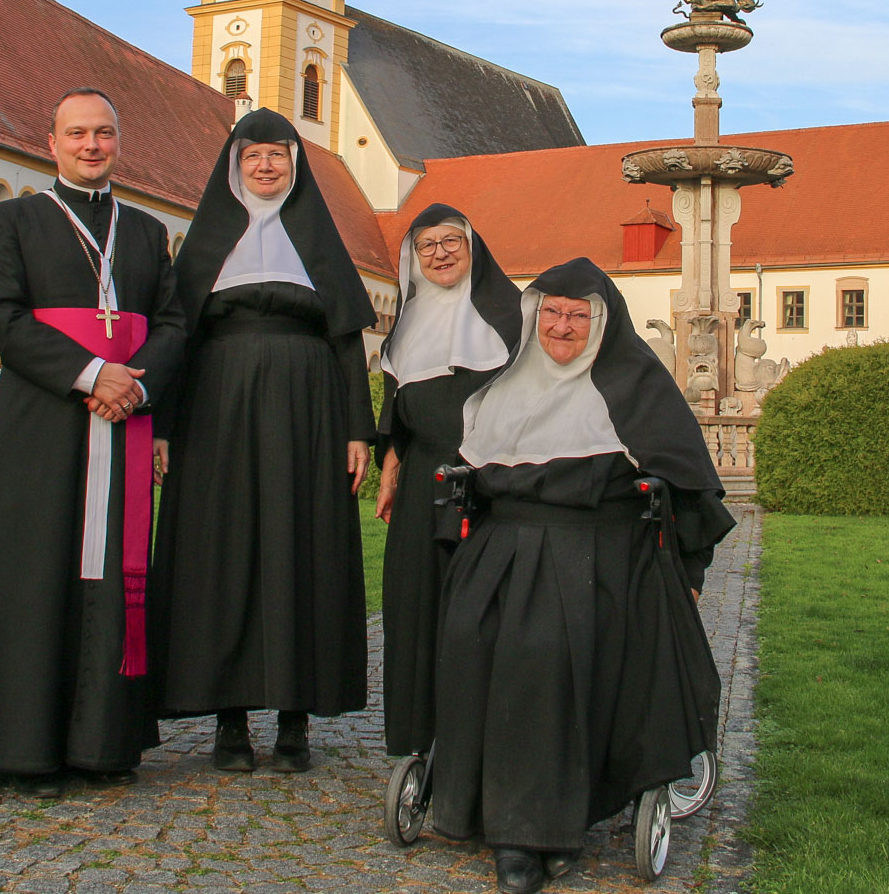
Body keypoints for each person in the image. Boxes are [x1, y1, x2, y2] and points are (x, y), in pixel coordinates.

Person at [426, 257, 735, 894]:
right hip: (500, 548)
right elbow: (464, 481)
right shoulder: (497, 388)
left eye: (578, 315)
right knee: (468, 644)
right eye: (552, 313)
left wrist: (690, 569)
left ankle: (529, 836)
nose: (562, 327)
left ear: (602, 324)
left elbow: (689, 487)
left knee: (545, 664)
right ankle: (487, 809)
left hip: (595, 556)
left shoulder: (636, 387)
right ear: (533, 317)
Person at [0, 88, 186, 797]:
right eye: (78, 133)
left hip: (127, 420)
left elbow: (175, 324)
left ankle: (103, 744)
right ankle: (26, 750)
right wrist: (90, 375)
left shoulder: (146, 232)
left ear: (120, 142)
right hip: (45, 421)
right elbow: (5, 318)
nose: (92, 145)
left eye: (104, 133)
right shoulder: (12, 221)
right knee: (36, 572)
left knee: (116, 578)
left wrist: (137, 386)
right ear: (51, 143)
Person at [149, 108, 375, 773]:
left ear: (295, 165)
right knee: (224, 549)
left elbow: (344, 339)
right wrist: (161, 426)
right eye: (255, 156)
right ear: (234, 165)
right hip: (216, 412)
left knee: (300, 544)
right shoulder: (207, 242)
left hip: (308, 412)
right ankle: (229, 721)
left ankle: (296, 720)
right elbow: (177, 339)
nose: (267, 166)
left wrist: (357, 428)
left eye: (279, 155)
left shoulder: (319, 241)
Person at [374, 204, 522, 758]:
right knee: (415, 610)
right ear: (413, 258)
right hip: (421, 485)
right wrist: (391, 463)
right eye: (427, 245)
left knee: (484, 612)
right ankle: (419, 738)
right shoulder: (405, 326)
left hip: (490, 484)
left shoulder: (512, 314)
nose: (440, 253)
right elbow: (397, 406)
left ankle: (487, 740)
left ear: (473, 245)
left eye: (451, 241)